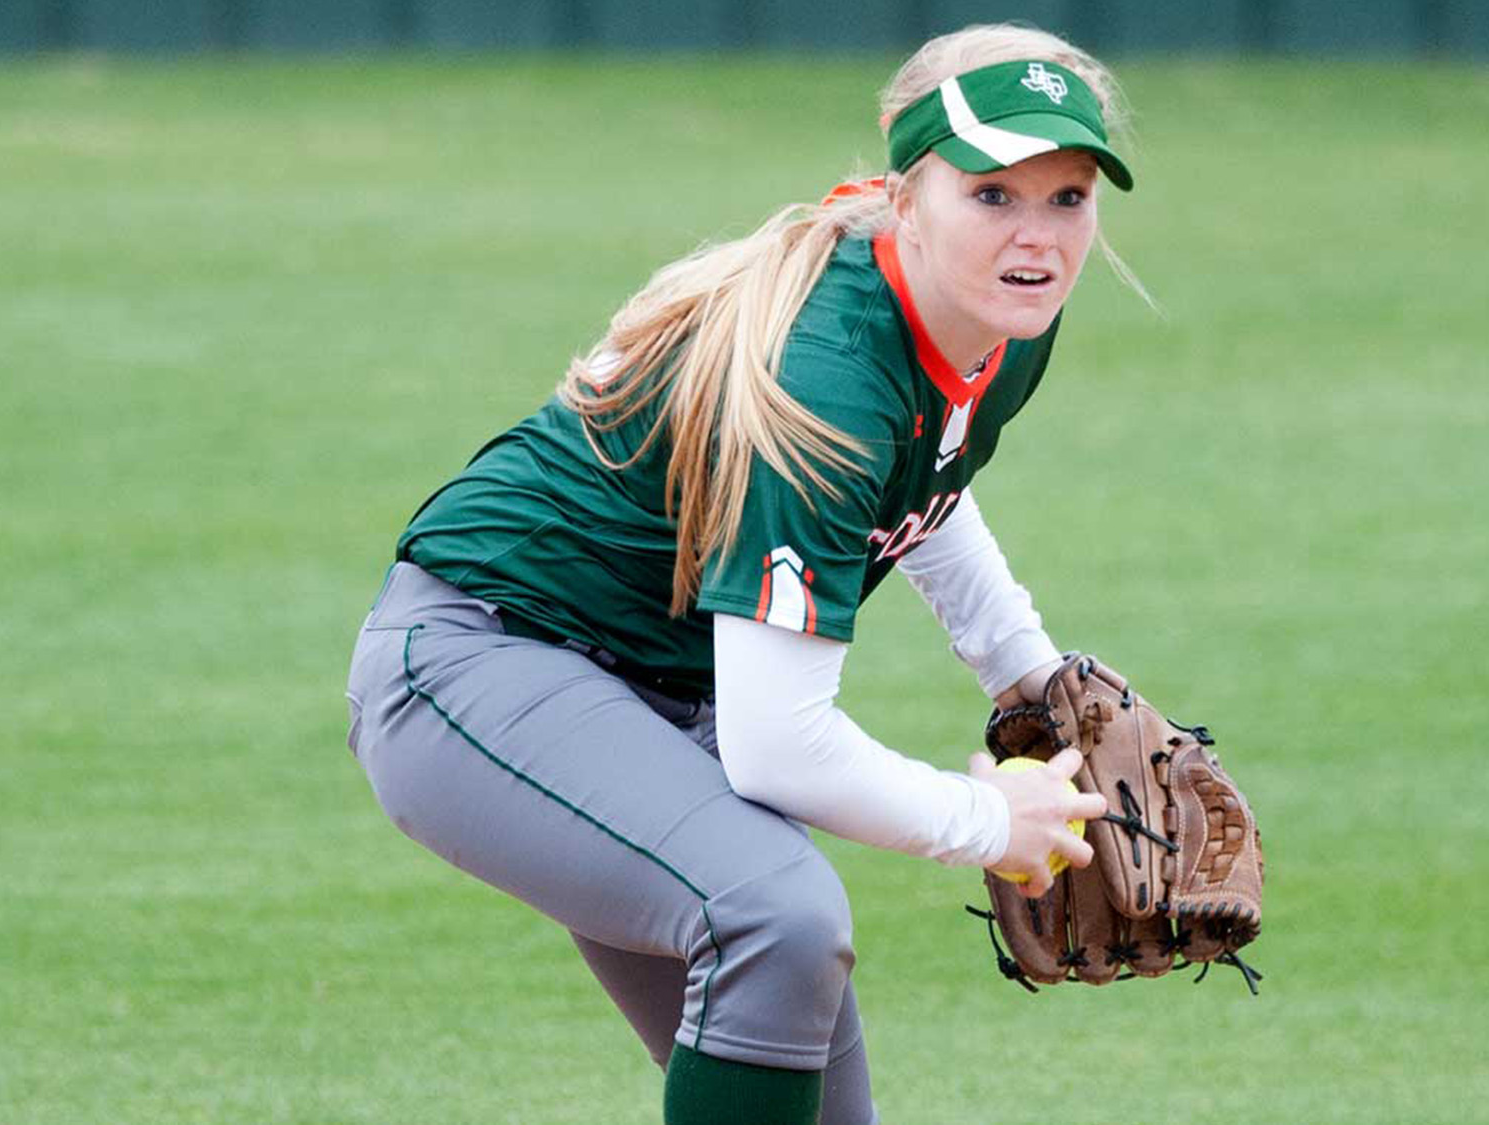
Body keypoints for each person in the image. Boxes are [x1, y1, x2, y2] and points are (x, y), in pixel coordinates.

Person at [345, 23, 1140, 1125]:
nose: (1037, 235)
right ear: (904, 199)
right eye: (991, 193)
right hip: (478, 669)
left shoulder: (999, 320)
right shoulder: (821, 381)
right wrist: (982, 819)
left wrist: (1030, 678)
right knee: (773, 917)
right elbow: (779, 745)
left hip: (656, 695)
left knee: (816, 1093)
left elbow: (926, 481)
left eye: (1067, 196)